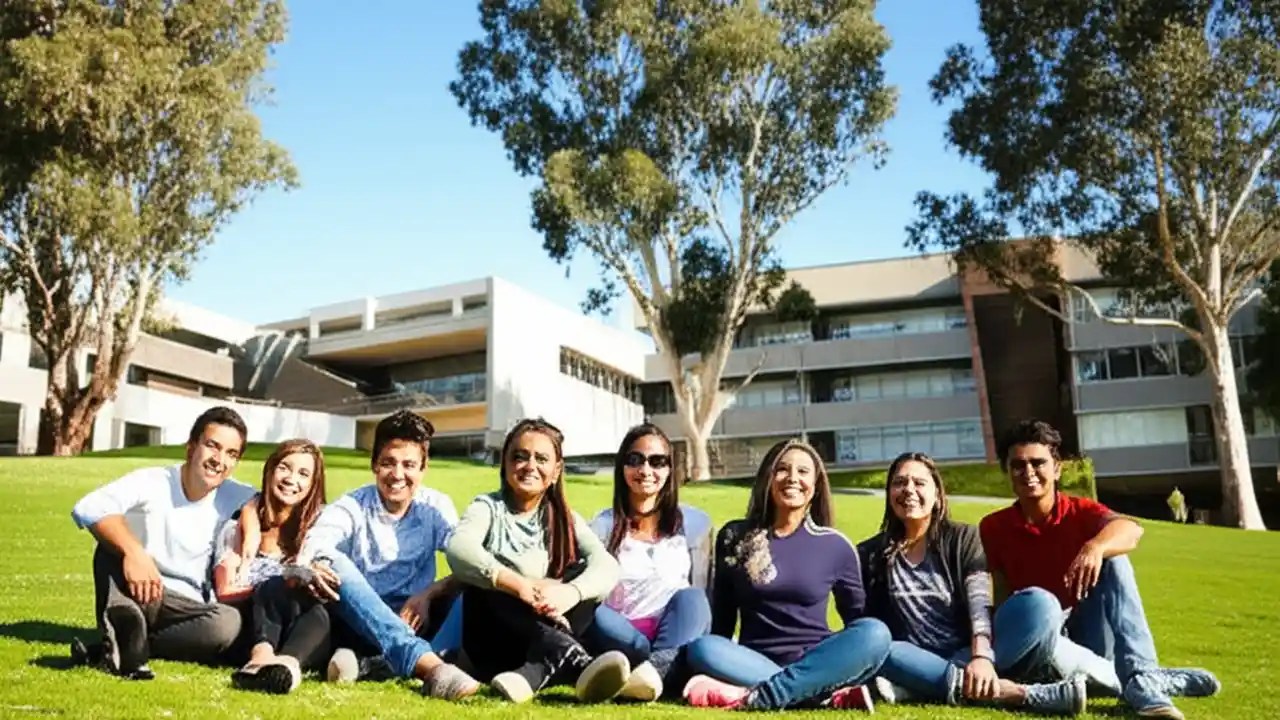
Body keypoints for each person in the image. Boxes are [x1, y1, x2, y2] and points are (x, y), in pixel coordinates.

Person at [981, 419, 1220, 720]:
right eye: (1018, 465)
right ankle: (1144, 680)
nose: (1028, 472)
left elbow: (1130, 530)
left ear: (1057, 469)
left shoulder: (1080, 511)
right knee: (1041, 613)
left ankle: (1142, 675)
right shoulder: (993, 527)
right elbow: (1001, 595)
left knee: (1115, 558)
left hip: (1089, 630)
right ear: (1008, 471)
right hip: (1044, 637)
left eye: (1037, 463)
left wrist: (1094, 548)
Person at [858, 452, 1086, 715]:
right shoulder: (871, 554)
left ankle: (923, 687)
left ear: (937, 495)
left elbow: (980, 604)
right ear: (889, 492)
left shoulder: (962, 538)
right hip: (913, 657)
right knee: (880, 646)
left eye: (919, 483)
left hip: (970, 651)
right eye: (899, 483)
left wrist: (981, 657)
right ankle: (1018, 693)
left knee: (1040, 604)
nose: (909, 490)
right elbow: (868, 623)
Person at [680, 439, 891, 711]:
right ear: (767, 478)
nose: (792, 478)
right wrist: (713, 663)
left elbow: (856, 623)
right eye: (782, 469)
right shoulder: (735, 537)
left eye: (803, 472)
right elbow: (723, 618)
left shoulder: (835, 545)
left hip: (816, 659)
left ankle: (763, 696)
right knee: (703, 648)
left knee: (875, 633)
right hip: (751, 661)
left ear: (815, 487)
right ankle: (819, 695)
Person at [445, 418, 633, 704]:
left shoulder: (565, 520)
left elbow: (606, 565)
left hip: (542, 637)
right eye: (519, 456)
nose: (529, 465)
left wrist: (569, 593)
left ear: (556, 470)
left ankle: (539, 670)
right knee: (489, 583)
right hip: (494, 640)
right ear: (505, 464)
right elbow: (459, 550)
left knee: (584, 573)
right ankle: (573, 657)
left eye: (541, 458)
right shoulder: (487, 508)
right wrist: (518, 584)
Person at [293, 409, 478, 700]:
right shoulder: (354, 504)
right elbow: (316, 541)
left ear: (423, 468)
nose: (398, 475)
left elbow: (467, 561)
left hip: (417, 619)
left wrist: (428, 594)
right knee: (333, 562)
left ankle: (371, 665)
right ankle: (426, 664)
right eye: (388, 463)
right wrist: (315, 560)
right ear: (374, 465)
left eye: (409, 465)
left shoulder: (435, 507)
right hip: (360, 615)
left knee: (471, 588)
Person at [69, 406, 256, 680]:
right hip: (138, 589)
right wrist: (134, 552)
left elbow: (276, 502)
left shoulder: (237, 494)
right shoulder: (153, 481)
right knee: (108, 547)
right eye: (212, 446)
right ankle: (125, 633)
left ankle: (126, 644)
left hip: (187, 606)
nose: (219, 460)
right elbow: (89, 507)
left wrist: (250, 518)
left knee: (228, 623)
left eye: (231, 454)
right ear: (191, 447)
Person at [586, 423, 714, 701]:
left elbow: (704, 590)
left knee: (693, 599)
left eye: (657, 462)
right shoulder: (602, 526)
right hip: (624, 637)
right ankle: (657, 672)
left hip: (675, 631)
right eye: (635, 460)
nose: (646, 470)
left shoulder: (695, 524)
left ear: (670, 470)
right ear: (622, 467)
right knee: (591, 611)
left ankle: (654, 671)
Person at [211, 438, 329, 694]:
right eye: (284, 467)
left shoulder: (319, 532)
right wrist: (269, 588)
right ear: (271, 470)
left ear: (312, 485)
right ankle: (261, 659)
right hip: (251, 626)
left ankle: (286, 668)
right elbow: (224, 591)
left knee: (319, 613)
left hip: (300, 628)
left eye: (303, 474)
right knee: (273, 586)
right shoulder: (237, 528)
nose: (291, 479)